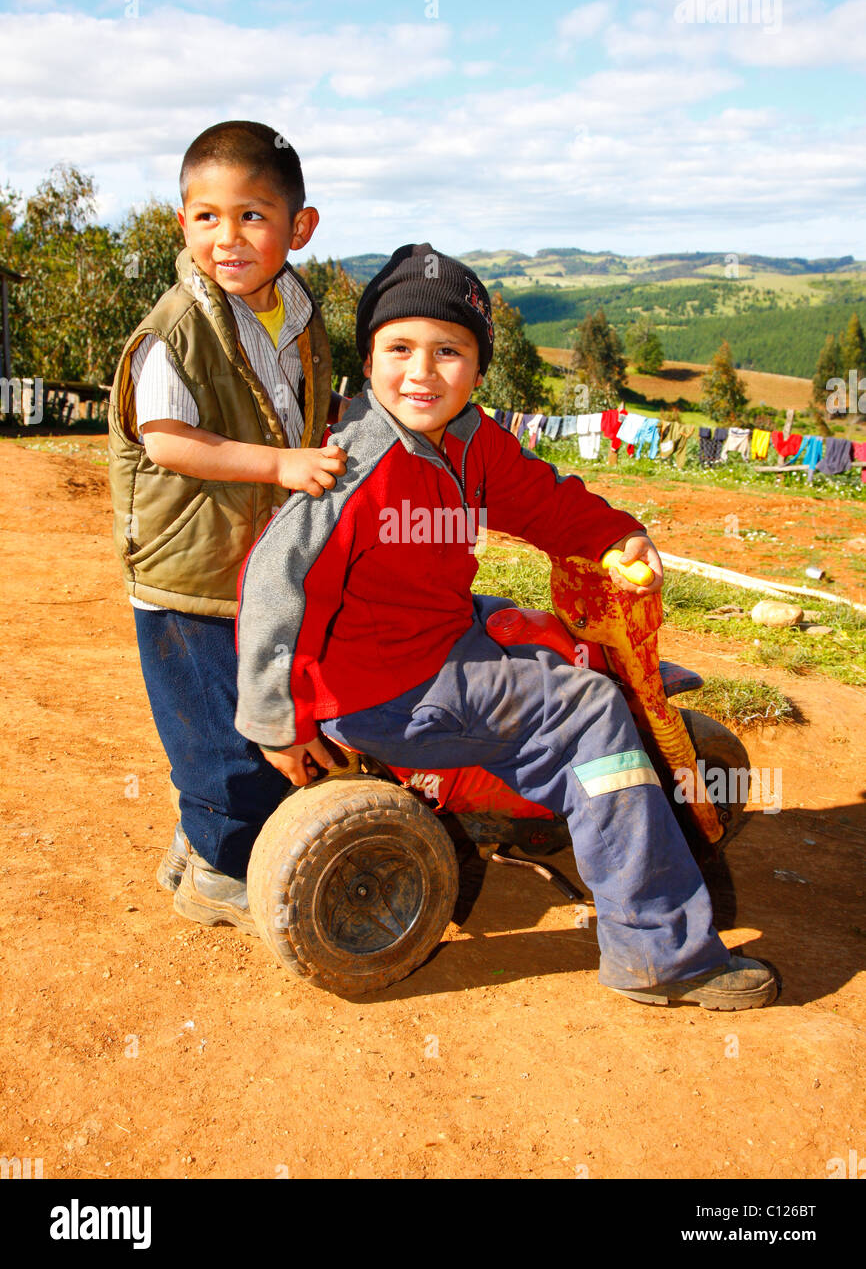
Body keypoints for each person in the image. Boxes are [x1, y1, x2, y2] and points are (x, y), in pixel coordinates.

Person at [234, 244, 777, 1009]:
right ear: (370, 358)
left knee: (533, 629)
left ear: (478, 368)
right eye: (400, 349)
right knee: (589, 711)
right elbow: (273, 581)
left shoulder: (467, 439)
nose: (422, 372)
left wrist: (612, 533)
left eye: (448, 351)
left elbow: (539, 497)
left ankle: (517, 803)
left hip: (434, 639)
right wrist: (274, 720)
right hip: (391, 684)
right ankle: (659, 952)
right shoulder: (358, 463)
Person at [108, 120, 347, 934]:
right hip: (188, 571)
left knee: (250, 712)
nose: (228, 236)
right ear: (183, 224)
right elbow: (170, 442)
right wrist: (281, 467)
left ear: (299, 228)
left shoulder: (298, 315)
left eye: (251, 215)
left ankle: (200, 843)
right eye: (206, 216)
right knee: (217, 732)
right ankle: (221, 871)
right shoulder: (174, 328)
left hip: (253, 566)